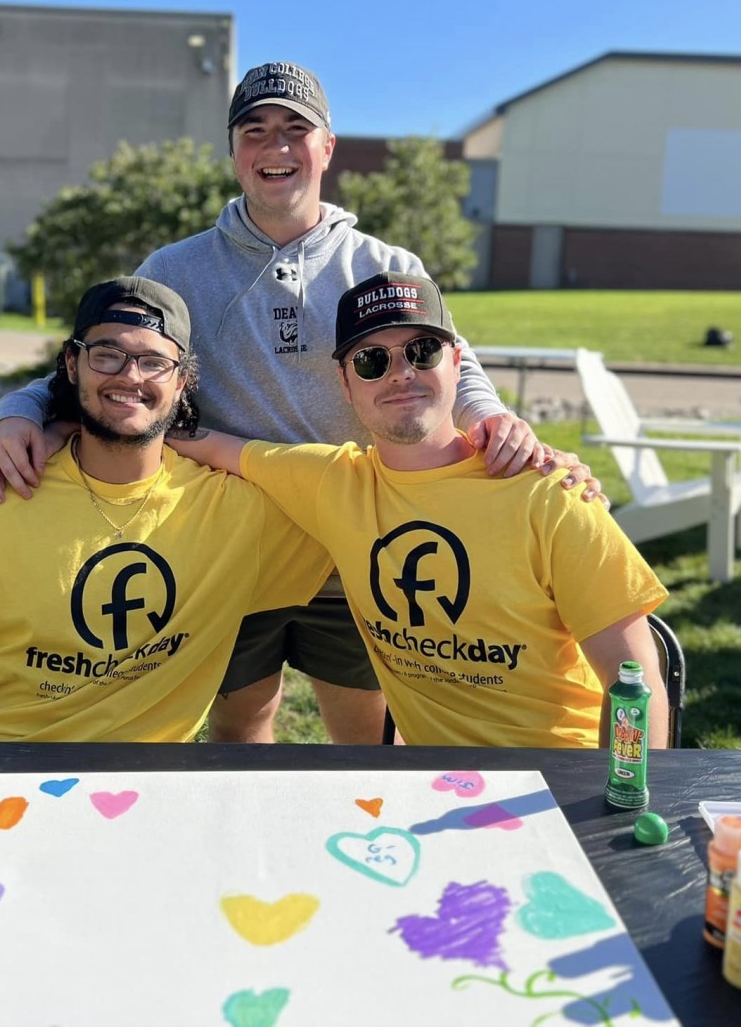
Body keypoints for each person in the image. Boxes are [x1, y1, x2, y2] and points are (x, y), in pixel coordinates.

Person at [0, 61, 599, 745]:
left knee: (361, 736)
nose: (276, 148)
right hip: (225, 542)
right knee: (241, 727)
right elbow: (104, 359)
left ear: (327, 148)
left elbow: (453, 361)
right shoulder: (175, 270)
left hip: (359, 540)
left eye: (296, 130)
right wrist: (19, 413)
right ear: (234, 151)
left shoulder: (384, 267)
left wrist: (493, 420)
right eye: (255, 130)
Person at [168, 272, 669, 748]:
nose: (401, 374)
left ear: (456, 362)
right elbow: (215, 447)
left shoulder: (550, 495)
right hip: (436, 787)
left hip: (558, 774)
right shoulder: (334, 483)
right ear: (346, 384)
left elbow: (635, 680)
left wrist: (619, 802)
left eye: (422, 351)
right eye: (371, 361)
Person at [0, 278, 332, 743]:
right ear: (72, 364)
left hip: (140, 787)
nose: (131, 377)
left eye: (155, 363)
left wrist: (221, 447)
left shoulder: (236, 513)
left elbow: (359, 502)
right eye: (107, 356)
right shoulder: (2, 496)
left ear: (182, 381)